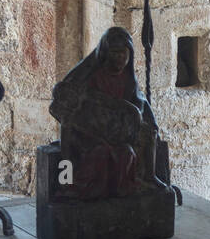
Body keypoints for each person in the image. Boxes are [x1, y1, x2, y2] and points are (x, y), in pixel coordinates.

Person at [49, 26, 163, 200]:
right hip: (96, 131)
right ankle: (75, 187)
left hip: (120, 130)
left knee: (134, 147)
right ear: (105, 53)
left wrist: (136, 115)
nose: (119, 58)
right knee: (100, 153)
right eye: (115, 52)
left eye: (123, 53)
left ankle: (146, 178)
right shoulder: (95, 77)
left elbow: (138, 102)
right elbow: (86, 106)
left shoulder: (128, 79)